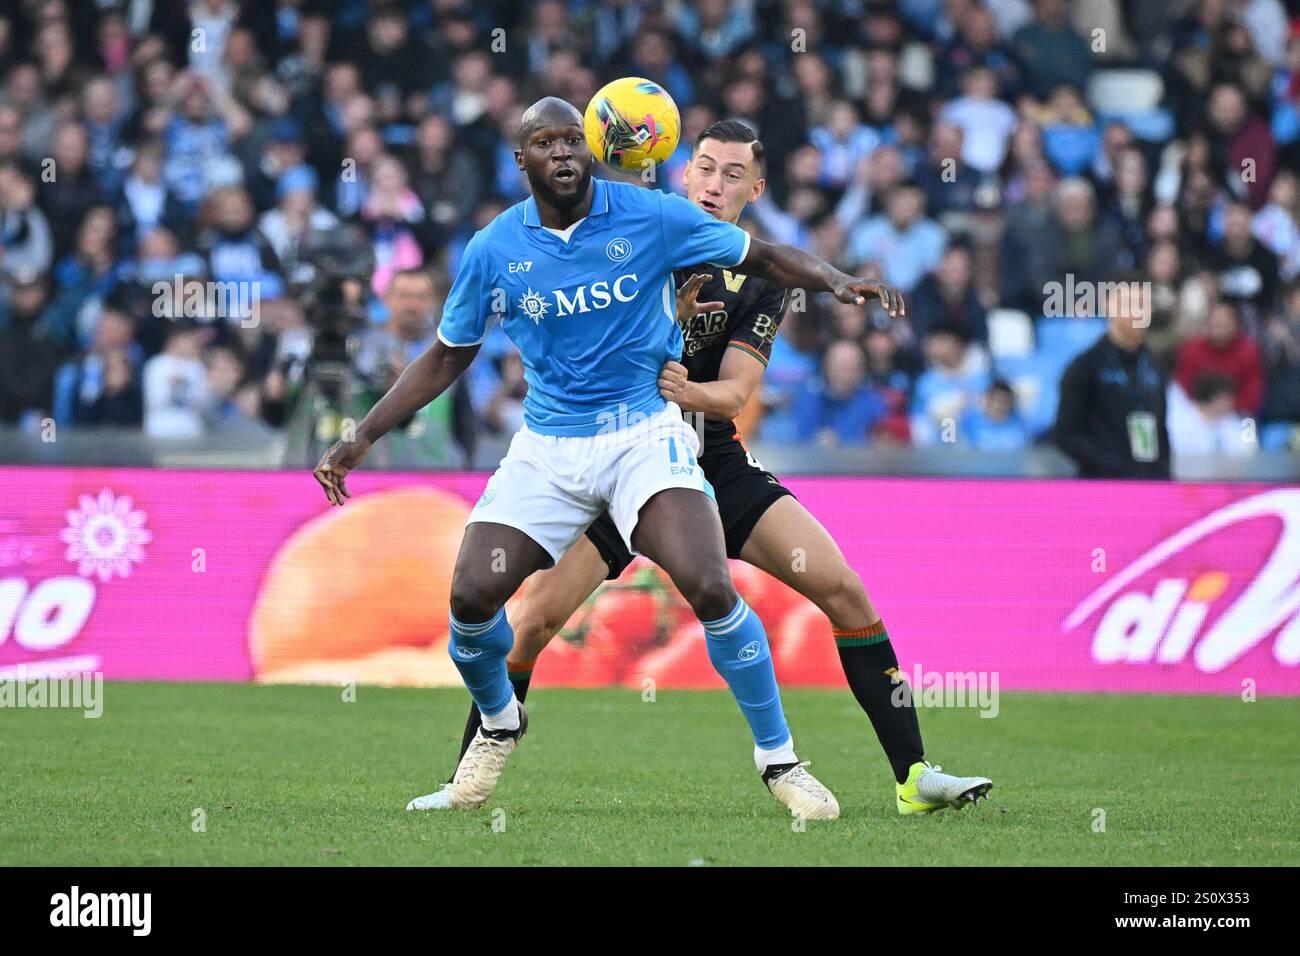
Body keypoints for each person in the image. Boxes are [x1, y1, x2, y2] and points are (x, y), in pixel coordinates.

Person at [313, 98, 906, 819]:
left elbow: (763, 255)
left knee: (708, 585)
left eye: (572, 140)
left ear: (593, 149)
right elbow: (446, 355)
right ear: (521, 160)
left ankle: (781, 761)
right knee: (472, 602)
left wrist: (836, 280)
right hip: (548, 449)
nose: (561, 153)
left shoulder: (651, 215)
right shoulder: (494, 248)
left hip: (643, 436)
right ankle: (500, 719)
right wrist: (362, 436)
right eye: (544, 142)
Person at [1054, 280, 1172, 479]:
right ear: (1109, 306)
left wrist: (1163, 473)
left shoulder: (1155, 365)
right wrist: (1110, 464)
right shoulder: (1085, 366)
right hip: (1101, 485)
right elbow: (1065, 433)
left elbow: (1160, 428)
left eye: (1143, 305)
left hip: (1149, 484)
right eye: (1128, 305)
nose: (1137, 314)